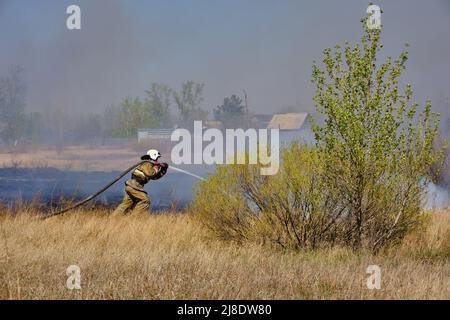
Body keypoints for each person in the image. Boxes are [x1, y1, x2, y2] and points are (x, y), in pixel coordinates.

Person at [113, 149, 168, 215]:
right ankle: (134, 219)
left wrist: (163, 170)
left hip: (131, 186)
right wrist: (157, 167)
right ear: (154, 156)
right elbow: (150, 173)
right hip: (135, 185)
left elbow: (154, 177)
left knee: (126, 204)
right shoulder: (147, 163)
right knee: (145, 200)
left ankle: (114, 218)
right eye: (157, 158)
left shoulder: (149, 165)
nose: (157, 160)